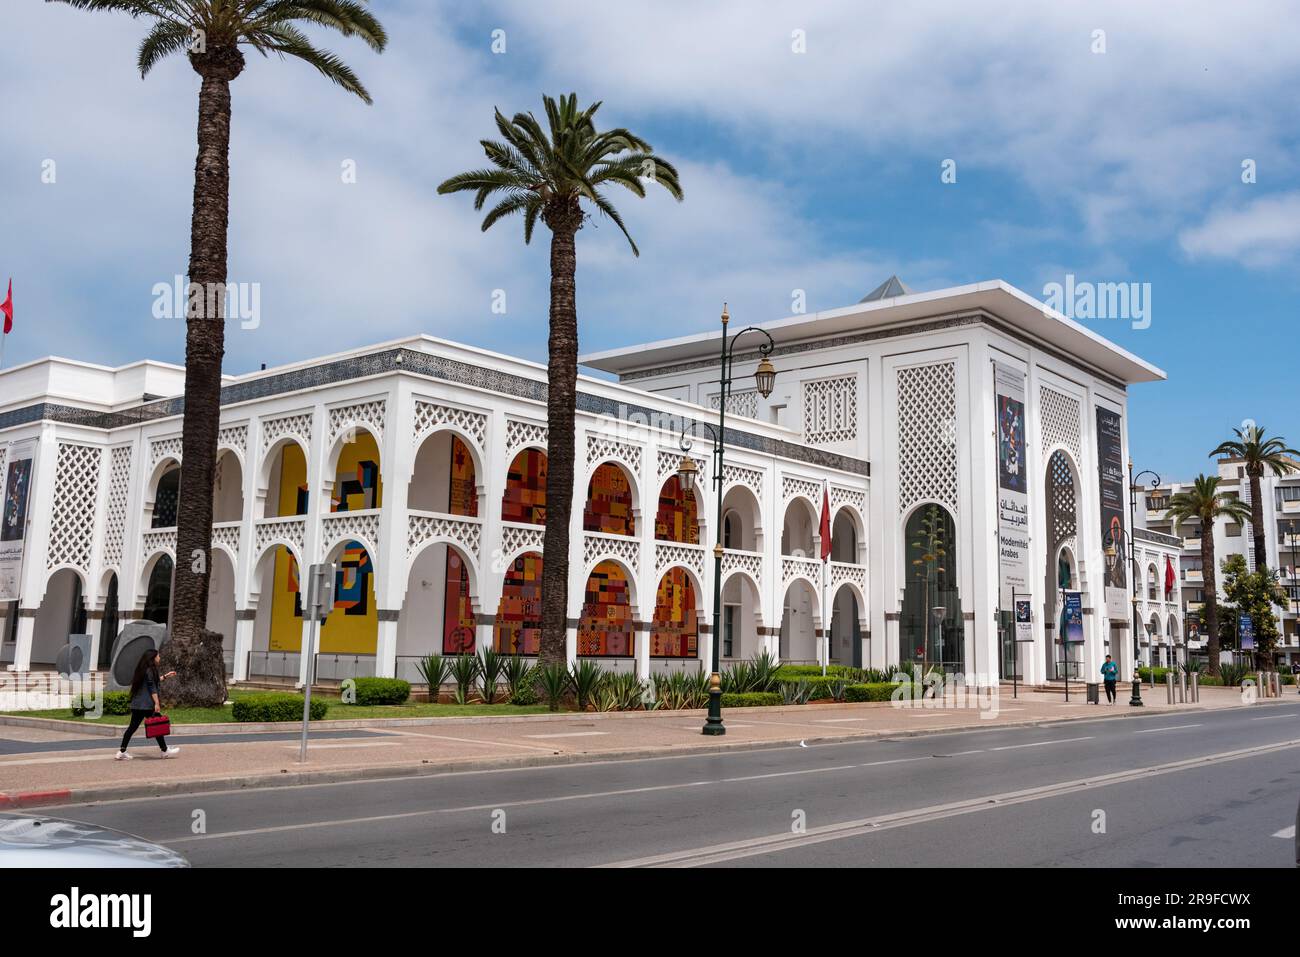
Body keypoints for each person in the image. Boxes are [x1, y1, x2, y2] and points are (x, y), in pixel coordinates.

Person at [115, 650, 180, 759]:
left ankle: (121, 752)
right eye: (158, 656)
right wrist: (157, 703)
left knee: (132, 728)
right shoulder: (150, 670)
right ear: (153, 658)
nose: (159, 657)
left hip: (137, 704)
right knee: (157, 726)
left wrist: (165, 676)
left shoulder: (143, 670)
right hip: (146, 705)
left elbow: (151, 682)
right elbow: (152, 687)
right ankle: (165, 751)